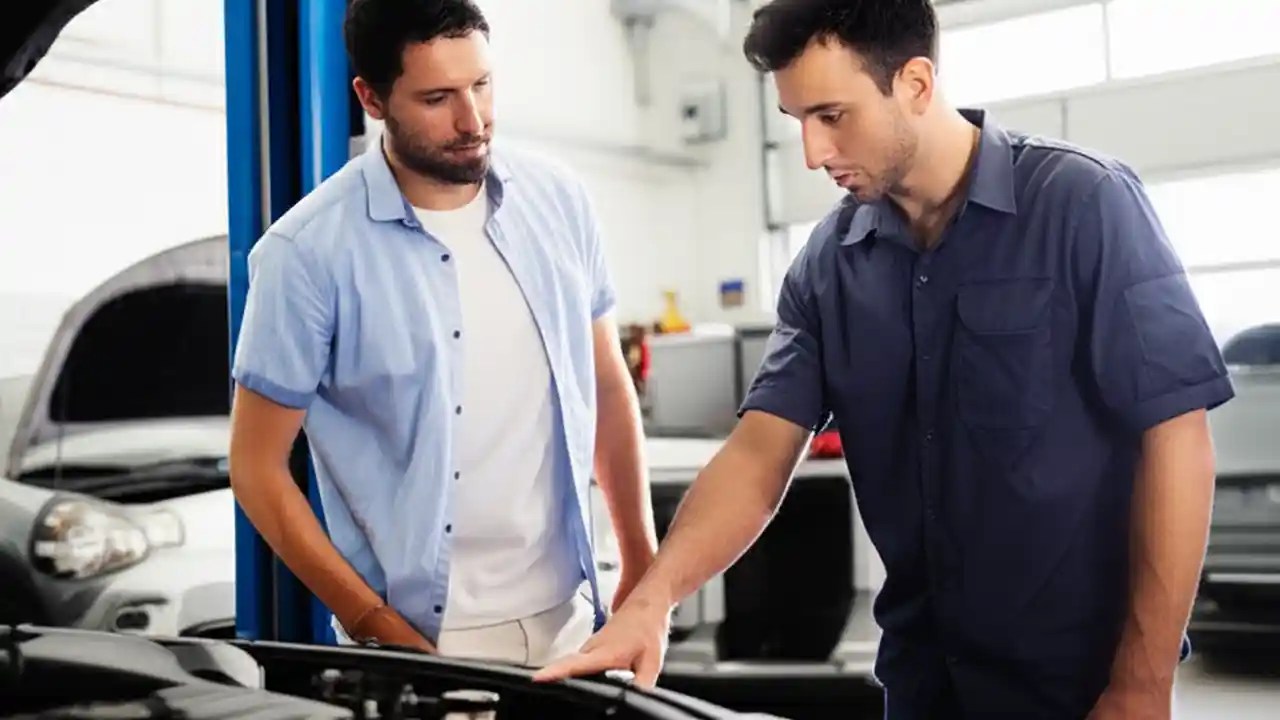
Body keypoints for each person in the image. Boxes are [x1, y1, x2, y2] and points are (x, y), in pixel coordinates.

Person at [535, 1, 1233, 717]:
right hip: (923, 682)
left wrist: (1142, 681)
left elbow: (1177, 441)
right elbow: (756, 458)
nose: (811, 151)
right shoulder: (830, 264)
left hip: (1080, 685)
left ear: (918, 84)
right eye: (796, 120)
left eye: (832, 115)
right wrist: (652, 598)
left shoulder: (1085, 206)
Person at [227, 0, 657, 668]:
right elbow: (256, 468)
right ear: (371, 99)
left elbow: (604, 384)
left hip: (575, 614)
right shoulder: (305, 255)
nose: (473, 120)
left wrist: (642, 567)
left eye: (481, 85)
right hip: (423, 639)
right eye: (436, 98)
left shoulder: (560, 200)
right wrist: (373, 623)